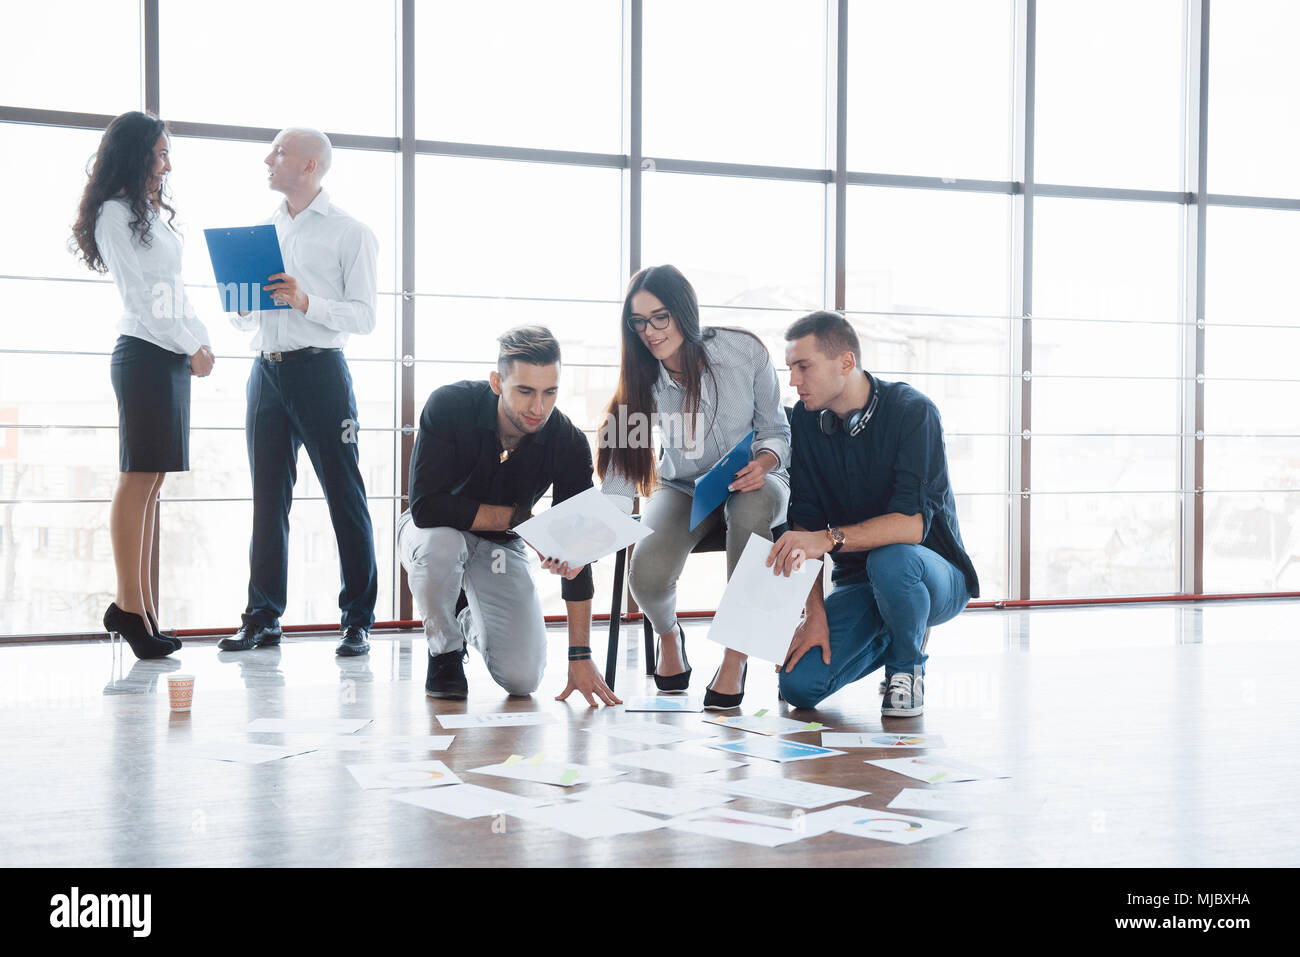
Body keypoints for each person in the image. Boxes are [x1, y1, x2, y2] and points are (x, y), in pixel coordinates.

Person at [767, 311, 979, 717]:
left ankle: (907, 667)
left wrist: (827, 540)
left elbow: (912, 525)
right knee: (798, 686)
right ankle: (902, 633)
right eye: (790, 368)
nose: (793, 380)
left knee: (892, 558)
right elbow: (804, 526)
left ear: (846, 362)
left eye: (803, 367)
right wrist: (814, 615)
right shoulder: (808, 423)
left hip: (930, 576)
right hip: (859, 584)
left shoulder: (914, 413)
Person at [217, 127, 379, 657]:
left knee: (344, 494)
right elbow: (248, 321)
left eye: (279, 151)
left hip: (321, 374)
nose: (268, 159)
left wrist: (307, 301)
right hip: (265, 374)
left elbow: (364, 317)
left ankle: (357, 620)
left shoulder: (349, 232)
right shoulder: (263, 230)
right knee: (268, 501)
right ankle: (262, 617)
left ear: (309, 165)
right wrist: (240, 302)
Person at [597, 265, 790, 709]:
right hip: (683, 487)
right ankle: (669, 638)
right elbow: (620, 484)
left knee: (750, 508)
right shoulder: (640, 384)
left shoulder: (745, 352)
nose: (650, 332)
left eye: (660, 317)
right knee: (645, 575)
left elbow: (777, 430)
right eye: (639, 322)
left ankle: (734, 656)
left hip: (756, 480)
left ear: (685, 311)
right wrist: (581, 545)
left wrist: (765, 461)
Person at [397, 326, 620, 706]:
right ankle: (445, 651)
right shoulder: (448, 405)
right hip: (433, 533)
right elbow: (426, 507)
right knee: (442, 545)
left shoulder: (567, 441)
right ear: (498, 382)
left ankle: (466, 613)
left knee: (523, 679)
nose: (539, 408)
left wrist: (580, 656)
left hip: (498, 549)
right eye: (526, 391)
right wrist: (519, 519)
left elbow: (577, 554)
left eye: (550, 392)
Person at [72, 111, 214, 660]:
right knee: (137, 479)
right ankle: (129, 609)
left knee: (153, 481)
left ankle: (144, 609)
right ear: (134, 155)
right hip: (144, 355)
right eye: (159, 153)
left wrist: (200, 342)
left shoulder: (148, 212)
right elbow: (141, 300)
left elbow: (172, 289)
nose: (166, 163)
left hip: (169, 355)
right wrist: (189, 346)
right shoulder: (113, 214)